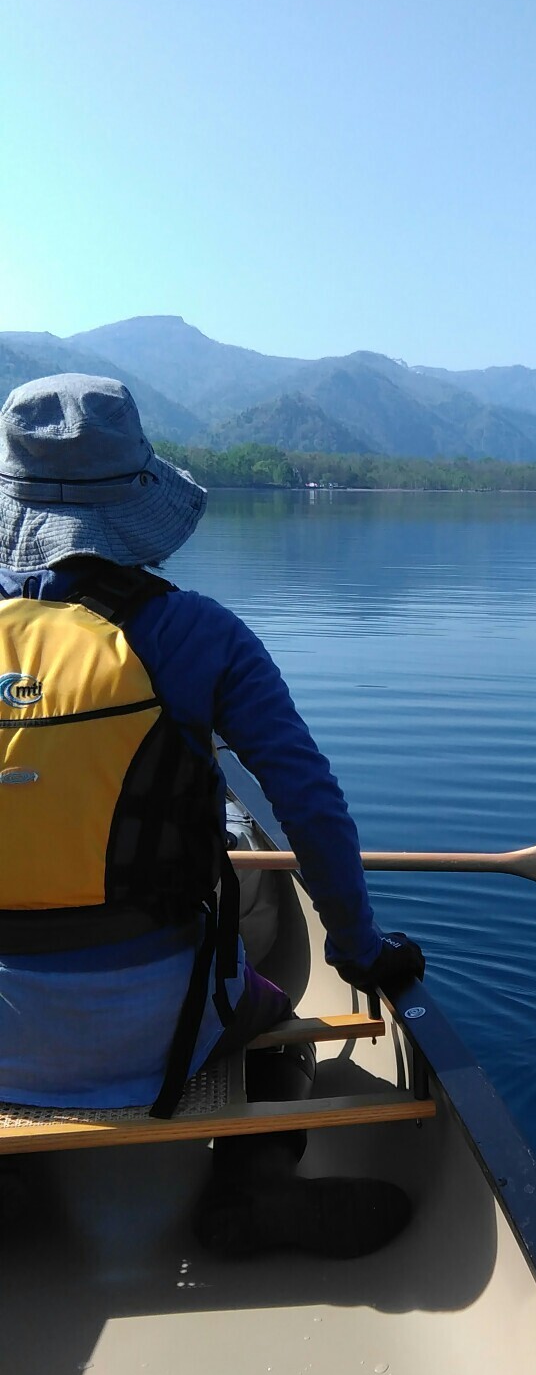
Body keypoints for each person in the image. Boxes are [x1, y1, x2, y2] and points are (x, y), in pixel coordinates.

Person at [0, 372, 425, 1258]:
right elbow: (310, 807)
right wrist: (358, 950)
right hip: (164, 1026)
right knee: (277, 1020)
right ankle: (253, 1183)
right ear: (138, 505)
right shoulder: (203, 634)